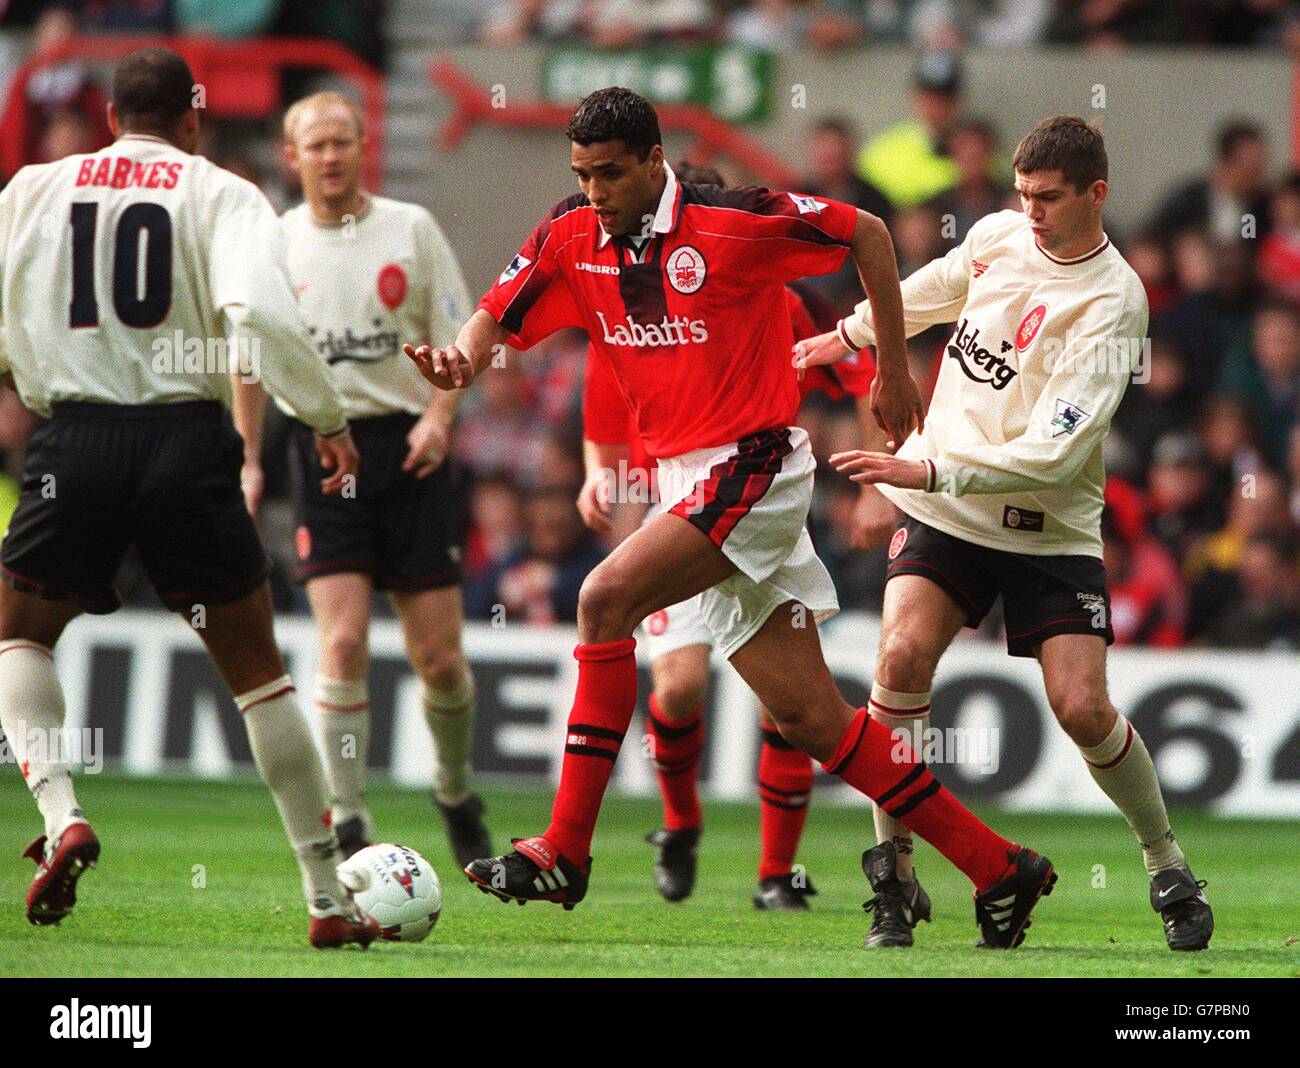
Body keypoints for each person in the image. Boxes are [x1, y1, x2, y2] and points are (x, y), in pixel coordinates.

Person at [406, 87, 1057, 949]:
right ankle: (999, 865)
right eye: (582, 174)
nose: (594, 190)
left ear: (654, 160)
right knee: (814, 720)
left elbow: (864, 230)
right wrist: (465, 355)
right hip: (689, 481)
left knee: (603, 601)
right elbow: (501, 308)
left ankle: (566, 849)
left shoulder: (730, 219)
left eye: (609, 173)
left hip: (752, 465)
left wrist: (890, 370)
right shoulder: (571, 231)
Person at [797, 115, 1214, 952]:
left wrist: (929, 471)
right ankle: (896, 878)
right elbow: (934, 289)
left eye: (1049, 198)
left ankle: (1165, 861)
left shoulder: (1112, 301)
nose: (1031, 212)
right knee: (899, 660)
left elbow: (1056, 456)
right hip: (946, 512)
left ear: (1097, 194)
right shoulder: (996, 233)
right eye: (1024, 194)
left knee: (1083, 706)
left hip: (1044, 525)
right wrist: (845, 334)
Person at [0, 48, 376, 947]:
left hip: (72, 441)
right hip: (184, 443)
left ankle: (62, 818)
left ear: (110, 117)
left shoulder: (33, 190)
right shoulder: (223, 194)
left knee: (18, 635)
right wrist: (323, 415)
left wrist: (28, 369)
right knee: (261, 677)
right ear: (193, 119)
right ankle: (327, 901)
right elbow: (261, 317)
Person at [576, 158, 894, 909]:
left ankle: (775, 873)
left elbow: (857, 372)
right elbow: (605, 404)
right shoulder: (631, 297)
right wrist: (603, 474)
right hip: (675, 512)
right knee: (680, 689)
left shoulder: (781, 298)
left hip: (758, 496)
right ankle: (681, 822)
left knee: (783, 700)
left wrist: (876, 482)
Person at [232, 92, 492, 866]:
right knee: (340, 642)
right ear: (292, 157)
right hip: (321, 452)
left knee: (439, 661)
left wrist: (440, 418)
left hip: (410, 452)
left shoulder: (408, 229)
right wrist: (248, 457)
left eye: (343, 141)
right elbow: (250, 359)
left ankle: (452, 786)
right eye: (316, 145)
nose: (332, 156)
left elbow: (460, 338)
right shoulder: (271, 245)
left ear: (362, 146)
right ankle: (348, 817)